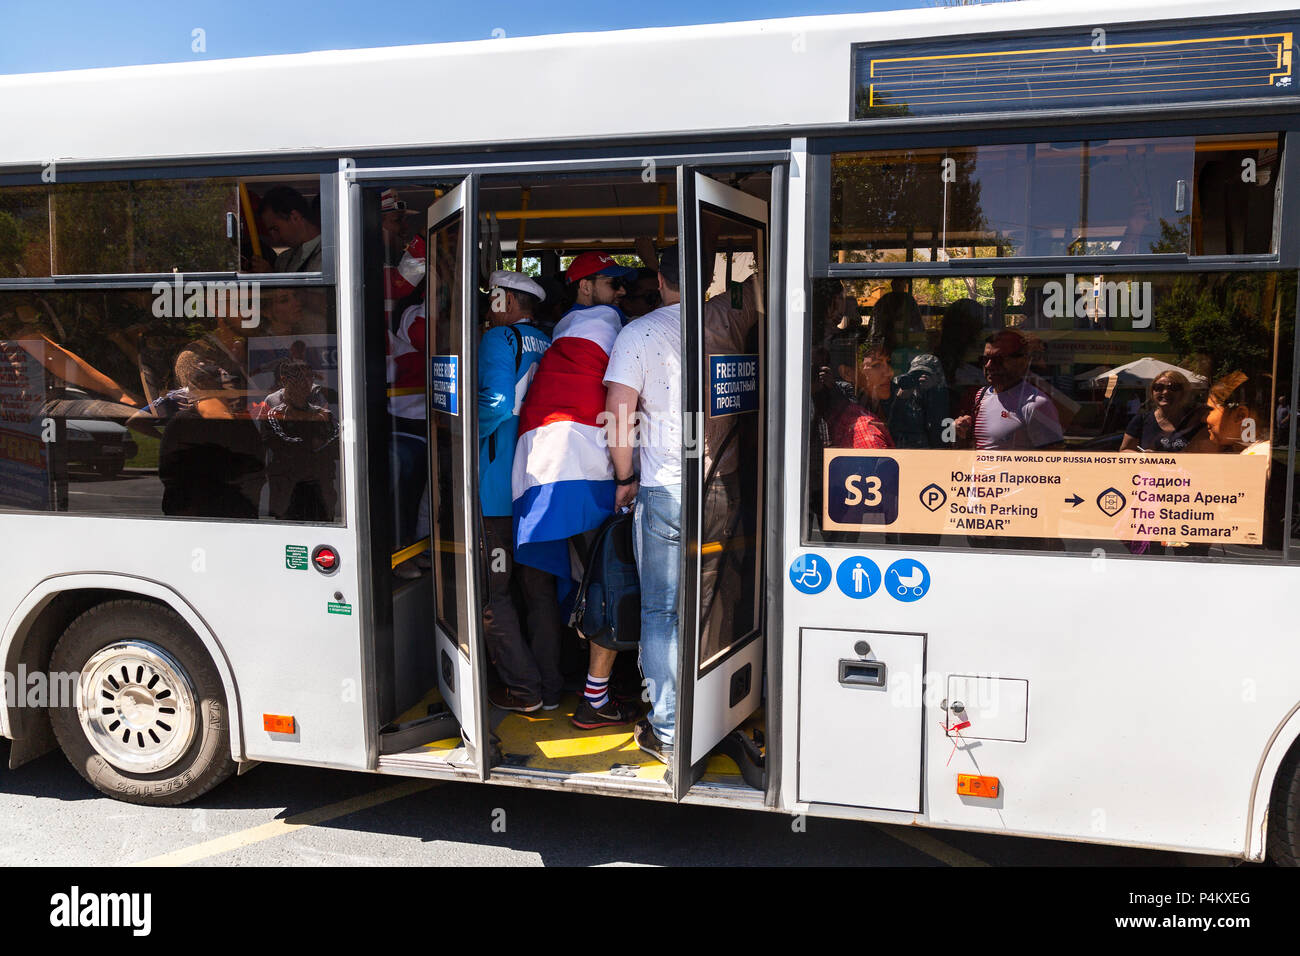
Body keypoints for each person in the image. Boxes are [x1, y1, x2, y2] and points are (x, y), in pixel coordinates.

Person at [512, 250, 640, 727]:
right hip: (582, 463)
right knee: (608, 580)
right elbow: (623, 398)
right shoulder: (606, 321)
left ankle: (549, 687)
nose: (621, 292)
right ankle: (596, 698)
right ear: (586, 287)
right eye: (613, 283)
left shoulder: (565, 326)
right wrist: (627, 474)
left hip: (541, 462)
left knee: (556, 582)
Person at [604, 245, 683, 764]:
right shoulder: (728, 327)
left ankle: (670, 729)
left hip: (664, 490)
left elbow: (618, 412)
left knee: (662, 612)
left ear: (658, 278)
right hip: (724, 488)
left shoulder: (639, 333)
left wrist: (624, 475)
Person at [477, 271, 562, 713]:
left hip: (496, 489)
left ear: (506, 300)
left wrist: (456, 433)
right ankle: (550, 688)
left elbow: (496, 404)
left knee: (496, 595)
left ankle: (524, 691)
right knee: (539, 592)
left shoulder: (498, 339)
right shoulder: (547, 342)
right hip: (538, 487)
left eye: (492, 296)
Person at [954, 329, 1064, 450]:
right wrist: (962, 434)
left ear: (1022, 362)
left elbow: (1054, 460)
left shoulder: (1037, 404)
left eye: (998, 360)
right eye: (985, 359)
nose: (988, 365)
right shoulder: (981, 395)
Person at [828, 338, 895, 450]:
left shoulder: (880, 403)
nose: (889, 372)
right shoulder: (864, 425)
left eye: (888, 362)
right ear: (848, 373)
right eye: (876, 365)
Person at [1119, 370, 1205, 453]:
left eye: (1173, 388)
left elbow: (1207, 454)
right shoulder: (1140, 420)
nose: (1165, 392)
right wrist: (1142, 457)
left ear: (1183, 392)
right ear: (1152, 392)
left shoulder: (1196, 421)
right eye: (1159, 388)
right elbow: (1124, 451)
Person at [252, 186, 322, 273]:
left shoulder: (332, 255)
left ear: (295, 217)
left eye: (275, 229)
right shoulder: (283, 260)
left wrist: (272, 278)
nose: (275, 239)